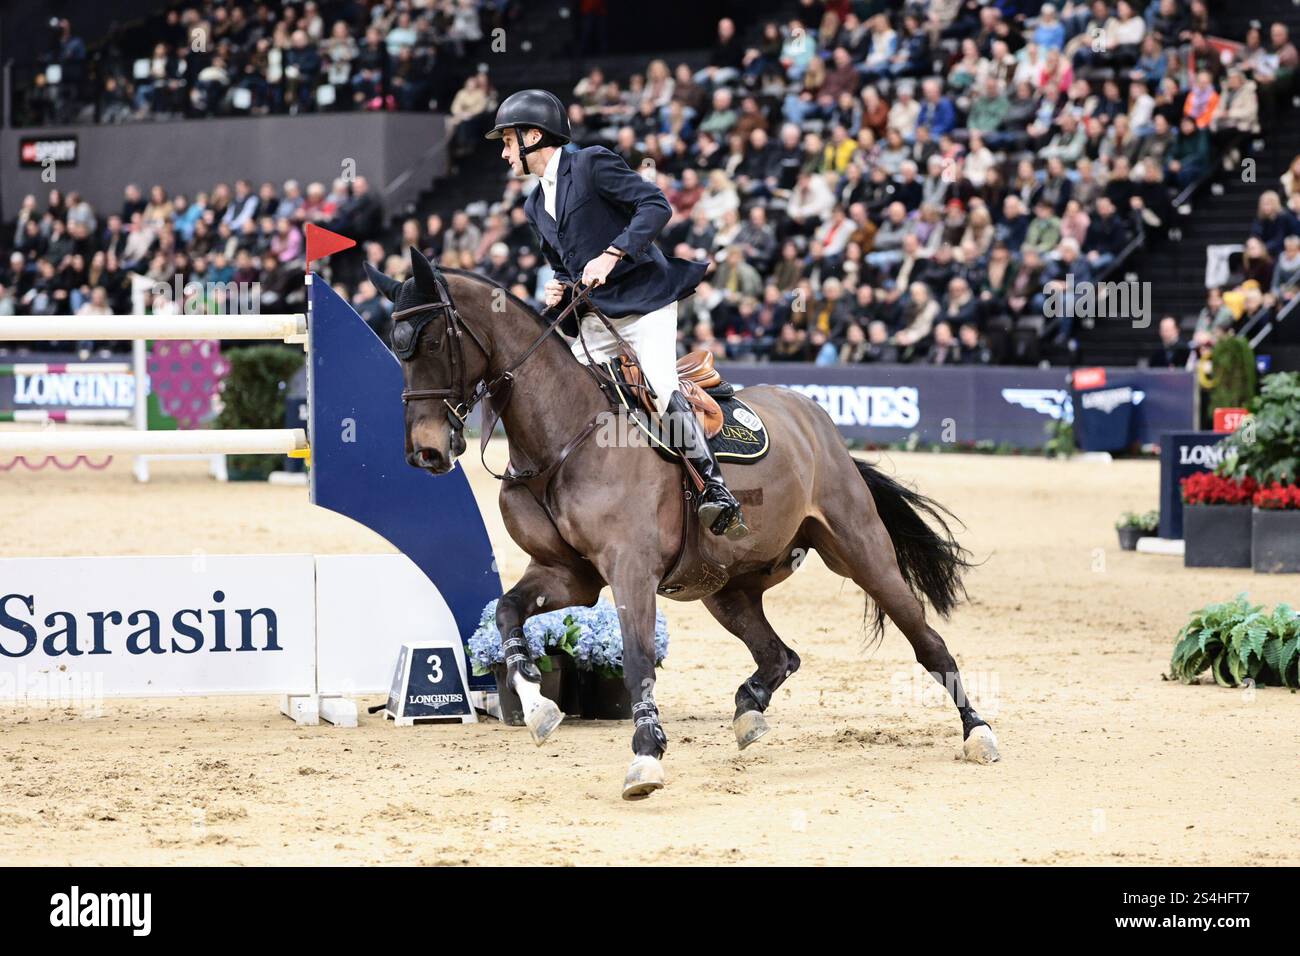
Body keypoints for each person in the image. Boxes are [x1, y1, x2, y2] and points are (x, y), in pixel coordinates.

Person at [486, 89, 748, 539]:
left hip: (644, 304)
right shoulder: (533, 205)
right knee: (564, 396)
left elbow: (655, 206)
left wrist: (613, 253)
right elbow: (561, 263)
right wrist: (558, 287)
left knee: (661, 389)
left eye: (508, 142)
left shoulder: (590, 163)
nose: (505, 153)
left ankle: (715, 490)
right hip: (594, 317)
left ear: (533, 136)